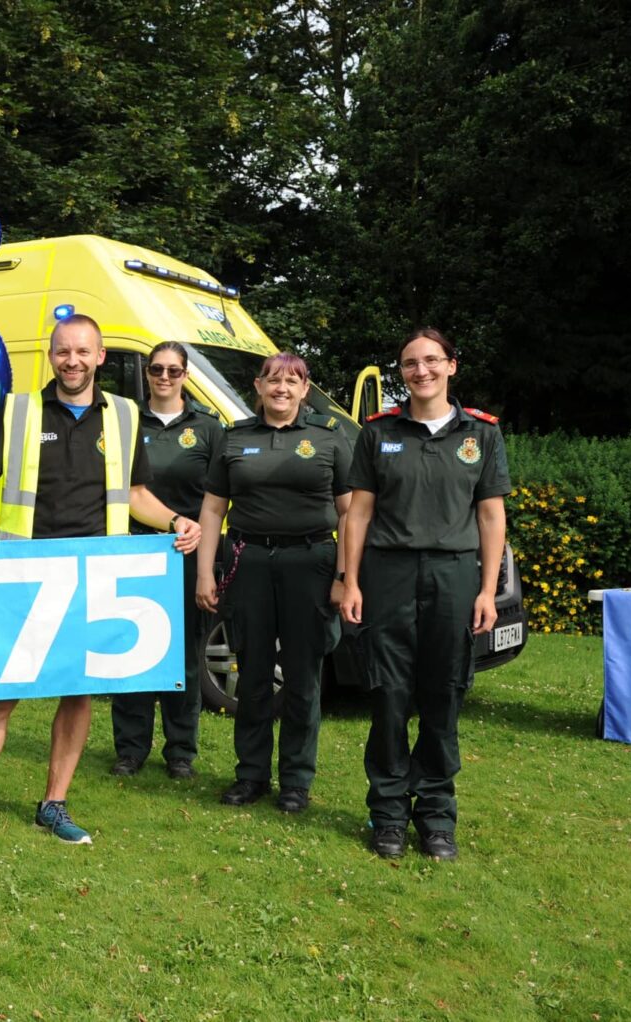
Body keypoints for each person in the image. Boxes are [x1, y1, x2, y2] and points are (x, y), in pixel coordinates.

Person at [0, 315, 201, 859]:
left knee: (77, 693)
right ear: (51, 355)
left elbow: (135, 493)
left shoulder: (125, 414)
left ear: (100, 357)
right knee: (0, 696)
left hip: (95, 576)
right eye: (63, 351)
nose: (72, 361)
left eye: (82, 351)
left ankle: (54, 804)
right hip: (23, 574)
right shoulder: (17, 410)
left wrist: (175, 521)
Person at [340, 328, 510, 862]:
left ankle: (436, 815)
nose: (421, 371)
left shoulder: (480, 434)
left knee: (444, 695)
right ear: (402, 373)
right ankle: (388, 813)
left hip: (454, 576)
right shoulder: (378, 433)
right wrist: (350, 579)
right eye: (410, 364)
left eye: (431, 361)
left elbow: (490, 515)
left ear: (451, 366)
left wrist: (487, 590)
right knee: (389, 695)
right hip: (388, 574)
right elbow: (358, 513)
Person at [195, 351, 352, 815]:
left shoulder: (329, 438)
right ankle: (251, 775)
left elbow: (350, 513)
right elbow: (211, 510)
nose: (282, 388)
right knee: (254, 674)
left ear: (305, 390)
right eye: (273, 380)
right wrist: (206, 571)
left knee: (304, 677)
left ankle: (296, 782)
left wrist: (345, 576)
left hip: (312, 561)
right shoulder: (234, 437)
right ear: (258, 388)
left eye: (292, 381)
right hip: (250, 561)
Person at [111, 342, 223, 781]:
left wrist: (206, 561)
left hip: (186, 553)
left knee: (185, 657)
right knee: (131, 651)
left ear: (185, 375)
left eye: (173, 370)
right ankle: (131, 749)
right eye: (156, 369)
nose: (163, 377)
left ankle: (180, 752)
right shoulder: (125, 422)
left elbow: (218, 502)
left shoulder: (210, 429)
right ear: (146, 373)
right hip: (132, 550)